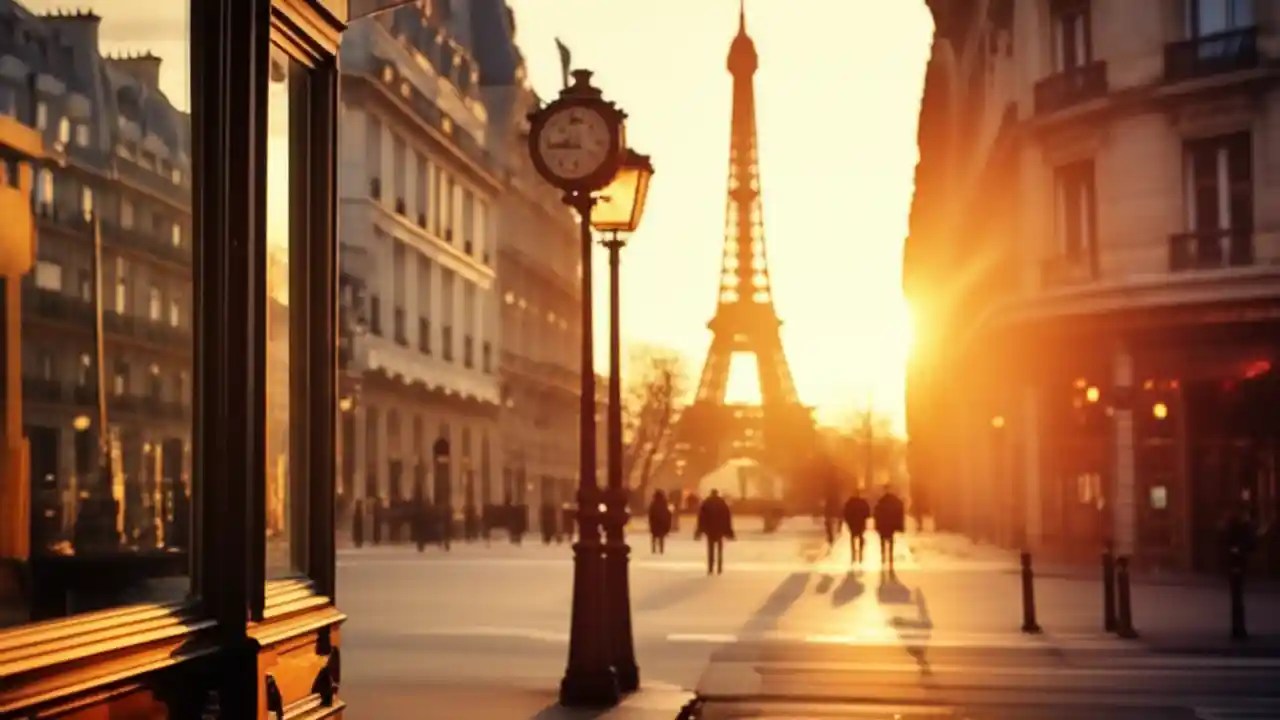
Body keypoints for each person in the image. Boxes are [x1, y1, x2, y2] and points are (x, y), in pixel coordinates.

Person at [695, 489, 735, 575]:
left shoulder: (706, 503)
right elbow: (727, 517)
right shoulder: (722, 503)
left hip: (709, 529)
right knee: (719, 549)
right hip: (720, 528)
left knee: (710, 548)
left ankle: (710, 567)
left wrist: (700, 529)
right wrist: (728, 530)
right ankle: (719, 567)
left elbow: (701, 517)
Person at [874, 486, 905, 570]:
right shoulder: (895, 501)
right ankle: (890, 558)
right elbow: (899, 512)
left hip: (883, 524)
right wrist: (899, 526)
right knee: (890, 540)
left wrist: (877, 525)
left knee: (883, 540)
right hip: (890, 524)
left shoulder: (881, 501)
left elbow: (877, 513)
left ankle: (884, 556)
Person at [843, 490, 871, 564]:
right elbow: (867, 512)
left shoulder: (850, 503)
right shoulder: (862, 502)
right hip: (860, 522)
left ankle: (853, 553)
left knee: (853, 536)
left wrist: (847, 520)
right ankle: (860, 552)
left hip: (852, 522)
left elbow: (845, 512)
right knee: (860, 536)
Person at [648, 490, 673, 554]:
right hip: (662, 523)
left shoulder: (653, 504)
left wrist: (650, 522)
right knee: (661, 537)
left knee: (654, 536)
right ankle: (661, 549)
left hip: (654, 523)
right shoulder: (664, 503)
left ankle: (653, 549)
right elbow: (668, 513)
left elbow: (650, 514)